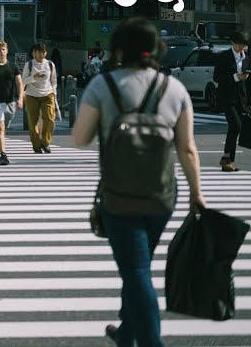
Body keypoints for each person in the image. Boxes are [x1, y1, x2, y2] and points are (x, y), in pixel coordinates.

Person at [72, 17, 204, 347]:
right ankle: (127, 333)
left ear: (118, 49)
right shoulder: (172, 87)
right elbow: (187, 148)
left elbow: (80, 138)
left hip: (119, 196)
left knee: (136, 271)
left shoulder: (105, 85)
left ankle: (149, 342)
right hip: (162, 194)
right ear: (156, 48)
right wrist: (196, 195)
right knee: (138, 265)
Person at [214, 32, 248, 172]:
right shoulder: (223, 56)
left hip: (241, 98)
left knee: (234, 129)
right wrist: (235, 77)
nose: (241, 47)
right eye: (239, 44)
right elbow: (216, 77)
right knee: (236, 126)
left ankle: (228, 160)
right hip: (227, 98)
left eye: (243, 45)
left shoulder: (246, 58)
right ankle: (226, 158)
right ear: (232, 43)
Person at [22, 43, 59, 154]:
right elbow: (24, 81)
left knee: (50, 119)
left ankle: (45, 143)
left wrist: (53, 91)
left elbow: (54, 81)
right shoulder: (29, 65)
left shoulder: (50, 64)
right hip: (32, 95)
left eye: (43, 52)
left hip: (47, 94)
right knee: (33, 121)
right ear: (34, 53)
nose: (41, 54)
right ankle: (36, 145)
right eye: (39, 52)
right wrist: (34, 77)